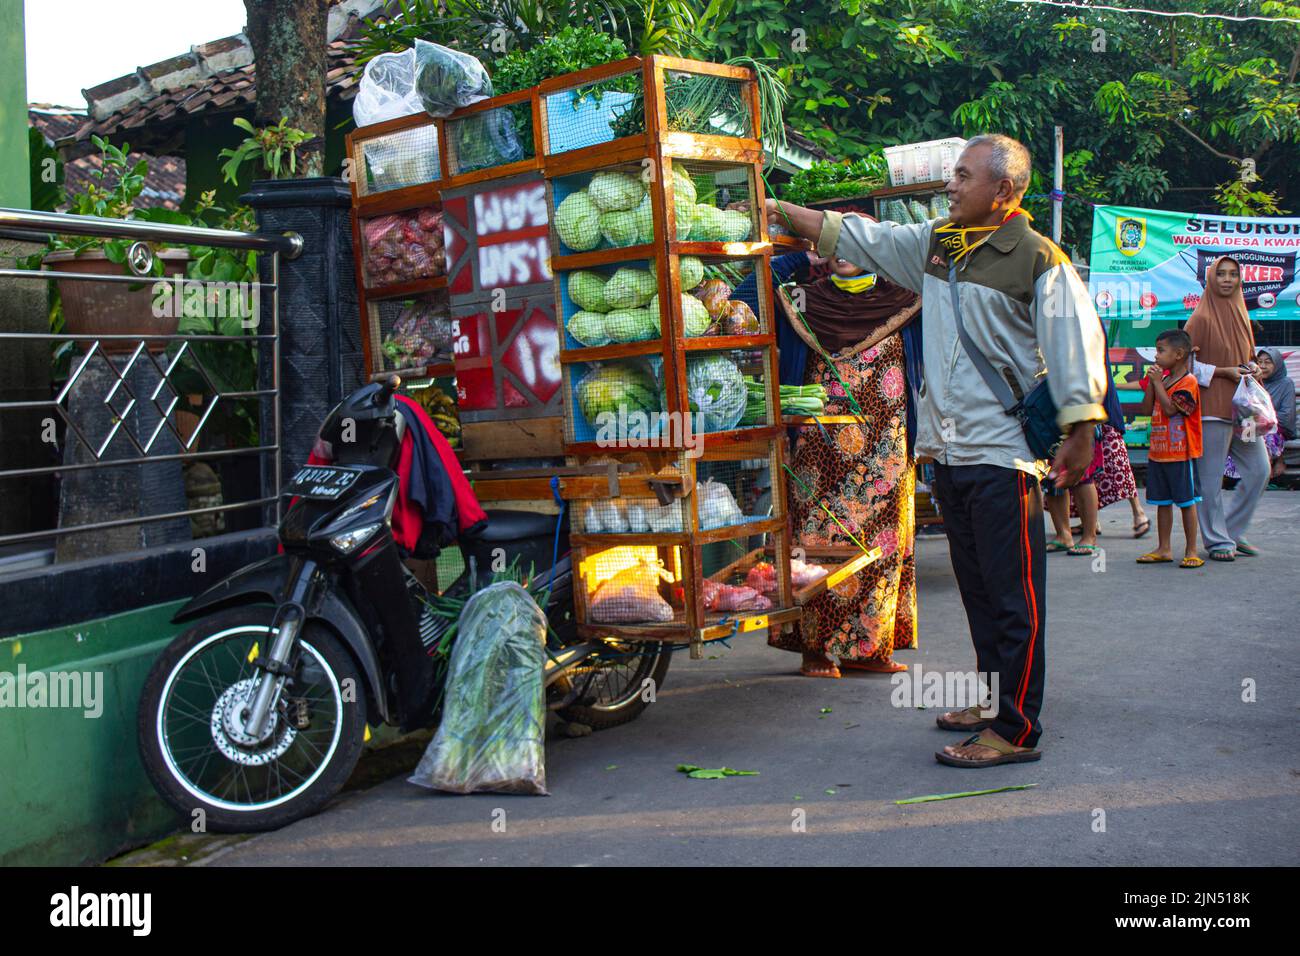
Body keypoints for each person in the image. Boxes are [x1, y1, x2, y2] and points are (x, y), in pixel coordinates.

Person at [767, 133, 1109, 768]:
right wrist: (779, 212)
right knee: (979, 592)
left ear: (1002, 191)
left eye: (962, 175)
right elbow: (859, 238)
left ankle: (1015, 729)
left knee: (1014, 599)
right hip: (948, 455)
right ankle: (989, 700)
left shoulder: (1039, 257)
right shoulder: (938, 245)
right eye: (950, 174)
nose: (950, 185)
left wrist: (1083, 429)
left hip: (1003, 455)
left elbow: (1075, 346)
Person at [731, 246, 922, 678]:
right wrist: (798, 257)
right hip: (818, 454)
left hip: (887, 454)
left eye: (854, 240)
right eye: (834, 243)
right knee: (817, 550)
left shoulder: (904, 297)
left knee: (883, 550)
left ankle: (869, 648)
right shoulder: (803, 299)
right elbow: (742, 297)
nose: (843, 252)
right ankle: (814, 650)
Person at [1185, 256, 1268, 562]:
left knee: (1260, 470)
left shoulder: (1242, 315)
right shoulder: (1200, 318)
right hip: (1211, 409)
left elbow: (1246, 357)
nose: (1227, 280)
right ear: (1211, 278)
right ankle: (1217, 540)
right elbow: (1184, 363)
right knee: (1210, 479)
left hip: (1243, 410)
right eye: (1221, 274)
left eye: (1233, 274)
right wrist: (1224, 371)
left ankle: (1232, 531)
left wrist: (1253, 368)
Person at [1135, 330, 1203, 568]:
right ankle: (1164, 548)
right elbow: (1145, 410)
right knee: (1162, 501)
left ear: (1179, 354)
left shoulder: (1189, 382)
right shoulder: (1162, 380)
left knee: (1186, 501)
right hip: (1158, 452)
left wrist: (1156, 383)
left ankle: (1192, 549)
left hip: (1181, 453)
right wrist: (1154, 385)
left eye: (1161, 351)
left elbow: (1171, 409)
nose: (1156, 356)